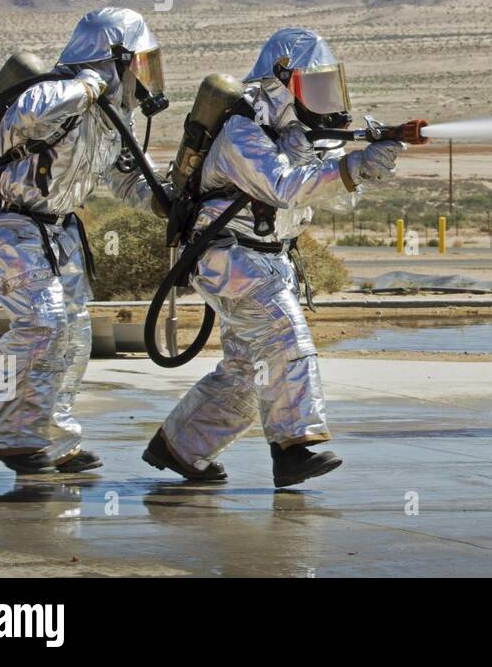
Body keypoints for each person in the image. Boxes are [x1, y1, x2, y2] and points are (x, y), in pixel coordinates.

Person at [143, 28, 404, 488]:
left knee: (250, 368)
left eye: (329, 88)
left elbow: (337, 199)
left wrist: (362, 166)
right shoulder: (242, 129)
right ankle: (293, 447)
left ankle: (181, 446)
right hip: (226, 255)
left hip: (267, 257)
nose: (325, 101)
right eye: (315, 88)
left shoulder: (298, 133)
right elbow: (285, 188)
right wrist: (351, 166)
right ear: (282, 82)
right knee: (285, 335)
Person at [0, 7, 169, 474]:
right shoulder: (53, 92)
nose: (142, 77)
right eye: (136, 63)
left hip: (60, 233)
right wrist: (90, 85)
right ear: (113, 59)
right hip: (16, 229)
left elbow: (131, 181)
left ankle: (56, 439)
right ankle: (14, 437)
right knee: (42, 326)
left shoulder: (111, 119)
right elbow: (29, 114)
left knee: (74, 337)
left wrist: (170, 200)